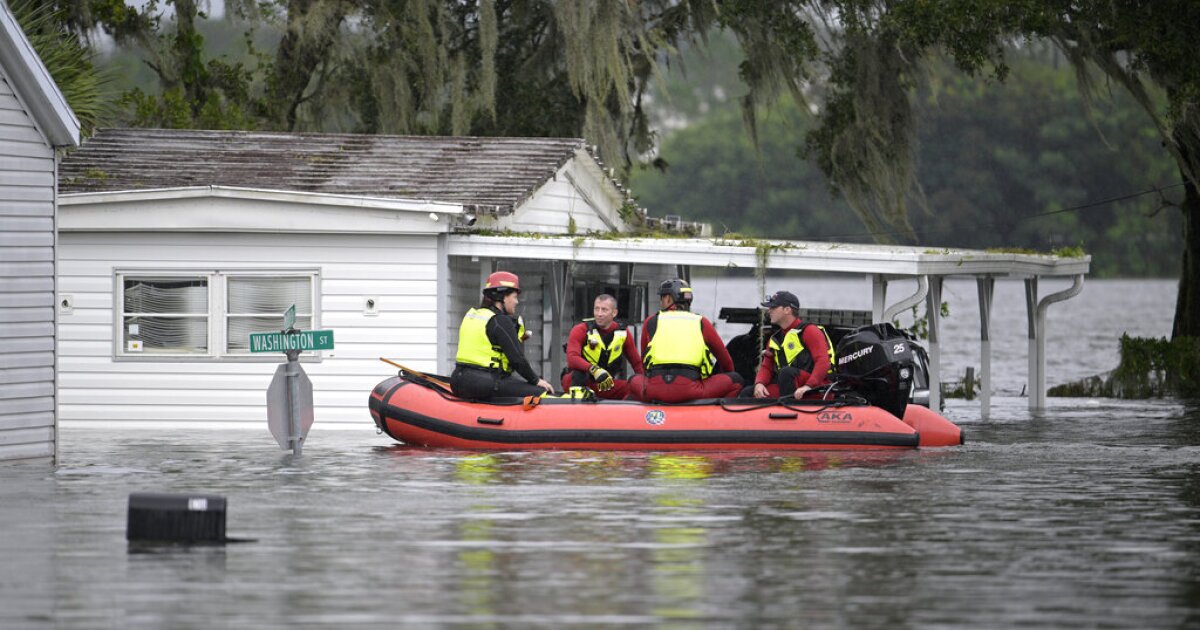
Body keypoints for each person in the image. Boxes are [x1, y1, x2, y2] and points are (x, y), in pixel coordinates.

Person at [629, 279, 743, 403]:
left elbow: (645, 363)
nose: (661, 302)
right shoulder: (701, 322)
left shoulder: (650, 322)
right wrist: (719, 378)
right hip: (691, 391)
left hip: (655, 389)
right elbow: (726, 362)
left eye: (662, 298)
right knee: (736, 380)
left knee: (633, 380)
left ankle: (647, 414)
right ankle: (714, 416)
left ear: (668, 299)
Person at [451, 271, 553, 400]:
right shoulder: (500, 321)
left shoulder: (473, 315)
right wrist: (536, 380)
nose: (516, 302)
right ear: (503, 297)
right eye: (515, 297)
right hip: (484, 383)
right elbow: (517, 359)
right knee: (541, 393)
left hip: (458, 380)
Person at [742, 290, 836, 399]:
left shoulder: (810, 331)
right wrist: (759, 383)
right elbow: (766, 367)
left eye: (773, 308)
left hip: (816, 388)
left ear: (787, 310)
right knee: (748, 393)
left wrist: (808, 386)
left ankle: (788, 411)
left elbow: (823, 362)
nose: (769, 311)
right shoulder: (775, 339)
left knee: (786, 373)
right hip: (790, 385)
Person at [562, 294, 644, 399]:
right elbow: (572, 358)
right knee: (577, 375)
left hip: (604, 384)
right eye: (596, 309)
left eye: (604, 310)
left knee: (634, 388)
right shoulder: (581, 329)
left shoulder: (623, 333)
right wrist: (595, 370)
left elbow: (637, 363)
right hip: (578, 383)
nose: (599, 314)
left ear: (614, 313)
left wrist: (645, 384)